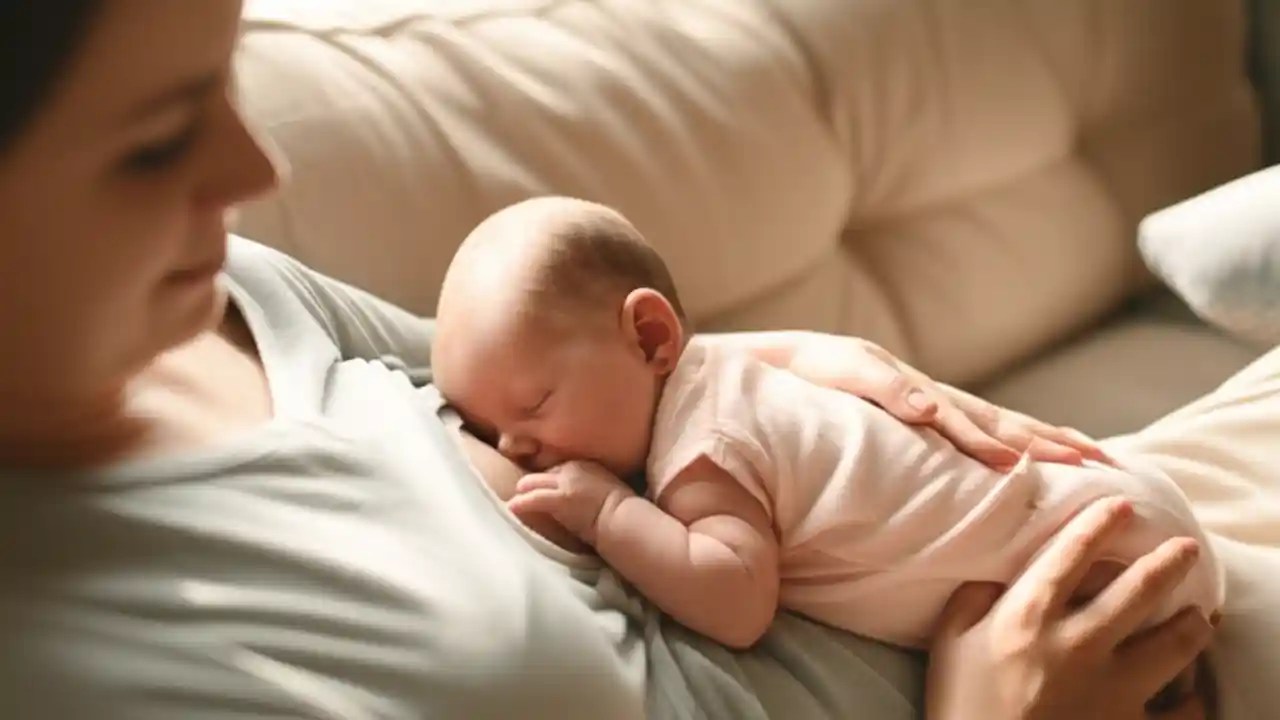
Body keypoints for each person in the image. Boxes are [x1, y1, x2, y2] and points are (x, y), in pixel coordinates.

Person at [0, 1, 1214, 718]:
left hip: (1090, 549)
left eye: (218, 83)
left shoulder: (232, 292)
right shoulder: (78, 659)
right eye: (156, 142)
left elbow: (628, 383)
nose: (257, 172)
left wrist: (819, 357)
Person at [430, 196, 1223, 655]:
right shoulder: (729, 374)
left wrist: (609, 513)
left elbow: (737, 602)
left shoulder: (701, 455)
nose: (514, 447)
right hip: (1108, 499)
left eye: (532, 408)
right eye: (490, 428)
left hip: (1097, 561)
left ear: (650, 338)